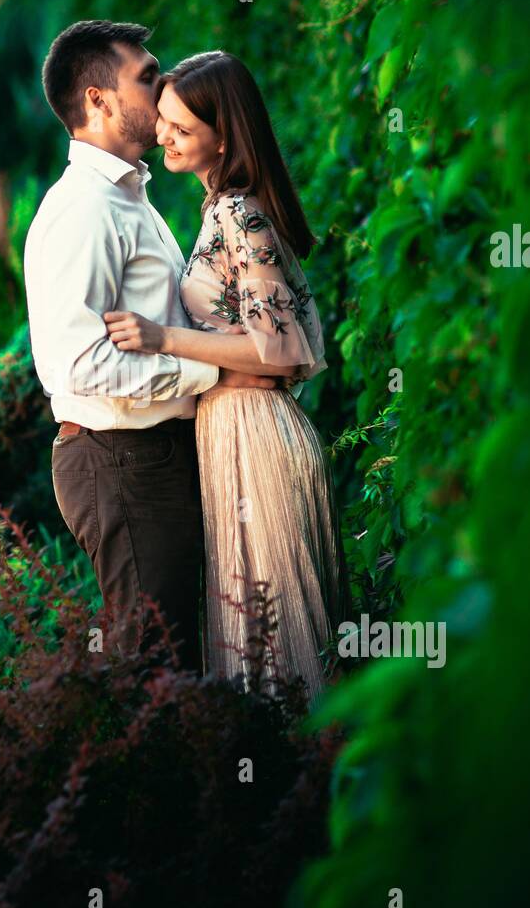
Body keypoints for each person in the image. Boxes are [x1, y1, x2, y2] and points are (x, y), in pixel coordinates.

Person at [23, 21, 286, 672]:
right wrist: (211, 374)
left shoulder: (129, 199)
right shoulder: (83, 210)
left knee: (185, 657)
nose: (162, 86)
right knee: (157, 669)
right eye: (146, 76)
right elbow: (78, 364)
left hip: (154, 456)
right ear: (98, 101)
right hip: (121, 461)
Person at [103, 50, 351, 701]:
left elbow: (283, 349)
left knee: (282, 658)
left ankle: (318, 788)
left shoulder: (242, 213)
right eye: (163, 121)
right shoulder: (221, 209)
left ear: (225, 136)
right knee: (254, 648)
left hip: (257, 440)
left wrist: (162, 339)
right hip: (229, 436)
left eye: (181, 130)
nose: (162, 136)